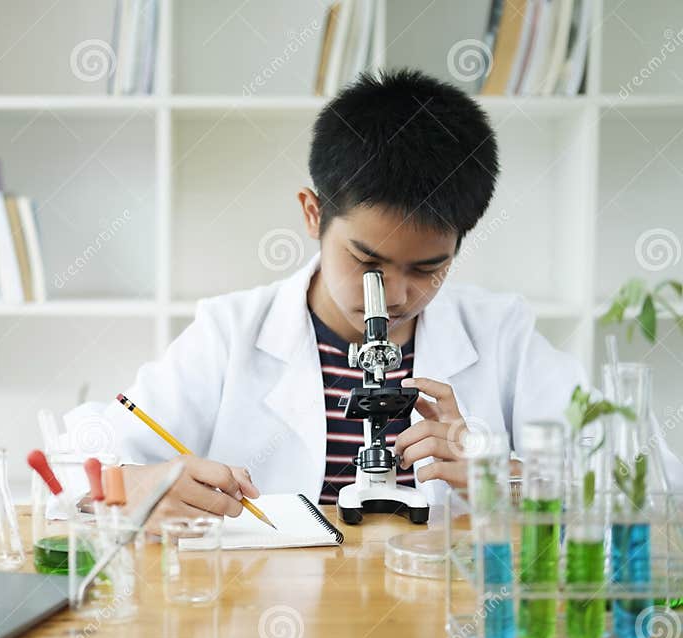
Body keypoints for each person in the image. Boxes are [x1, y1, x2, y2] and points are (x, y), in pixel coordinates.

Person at [85, 69, 682, 528]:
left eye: (428, 268)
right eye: (367, 262)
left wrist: (507, 478)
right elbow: (70, 464)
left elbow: (649, 480)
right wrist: (134, 484)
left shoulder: (499, 333)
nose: (394, 297)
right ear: (313, 213)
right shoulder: (230, 332)